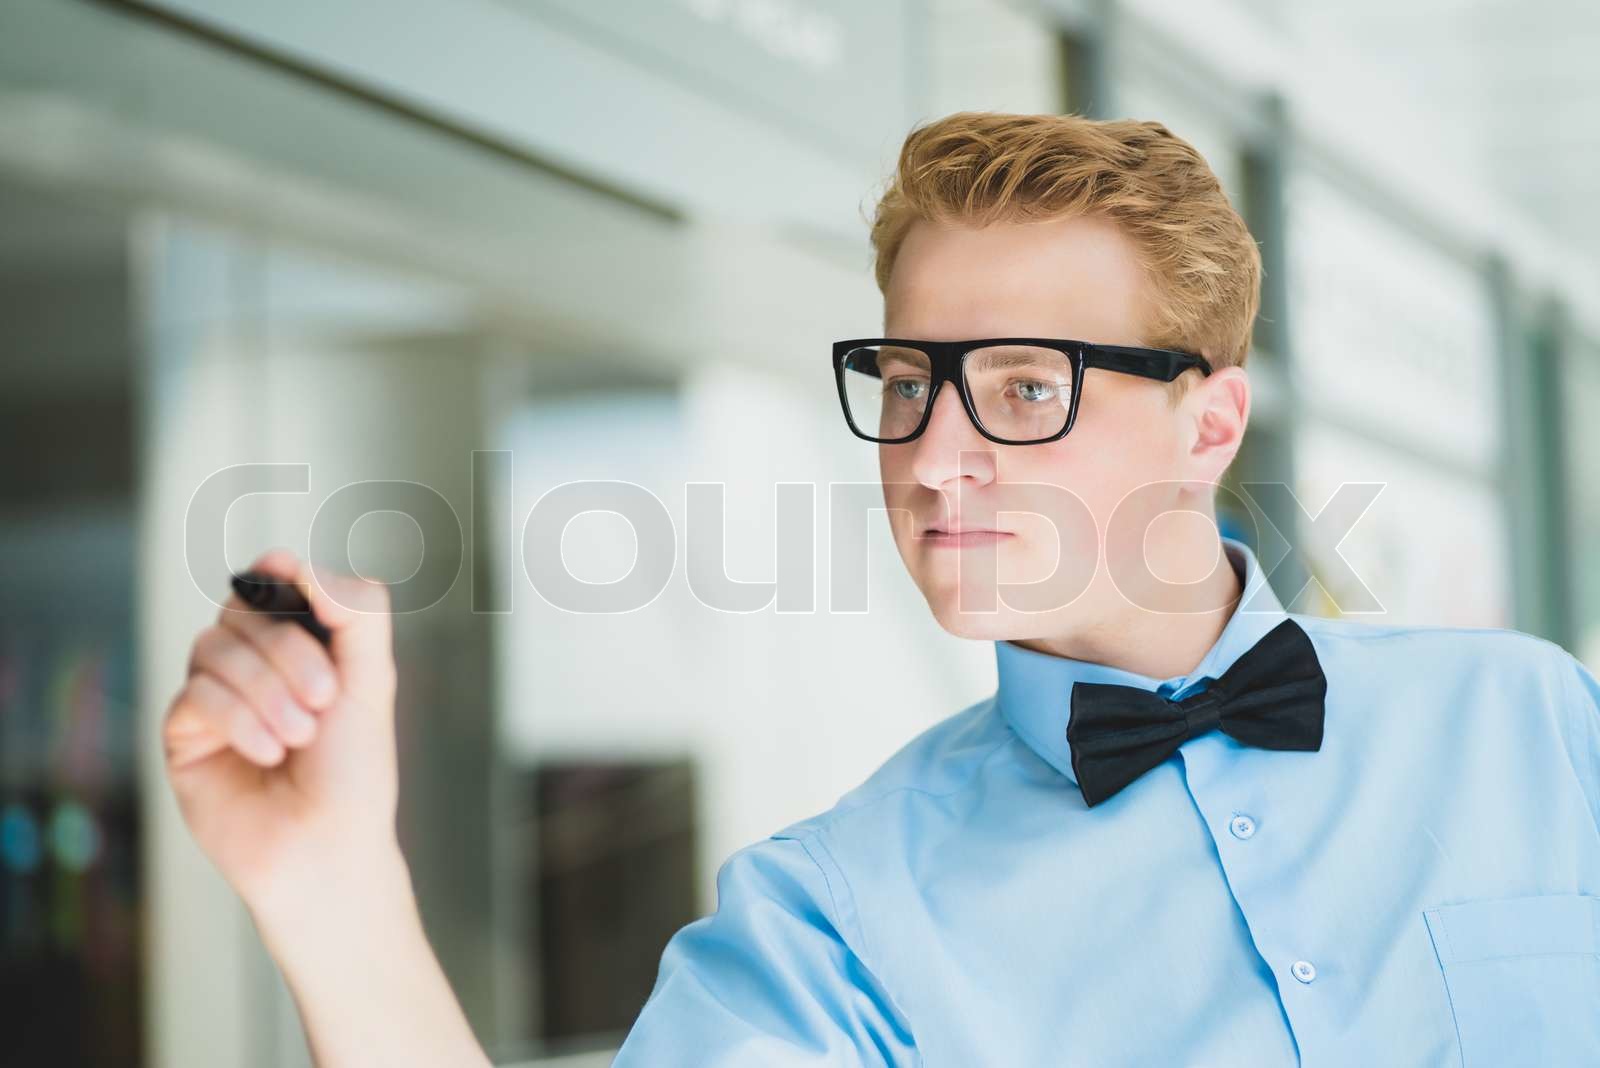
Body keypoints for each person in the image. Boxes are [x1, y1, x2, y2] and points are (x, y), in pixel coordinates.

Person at [163, 112, 1600, 1067]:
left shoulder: (1534, 722)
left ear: (1209, 424)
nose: (934, 455)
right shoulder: (835, 919)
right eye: (909, 382)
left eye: (1025, 387)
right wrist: (332, 889)